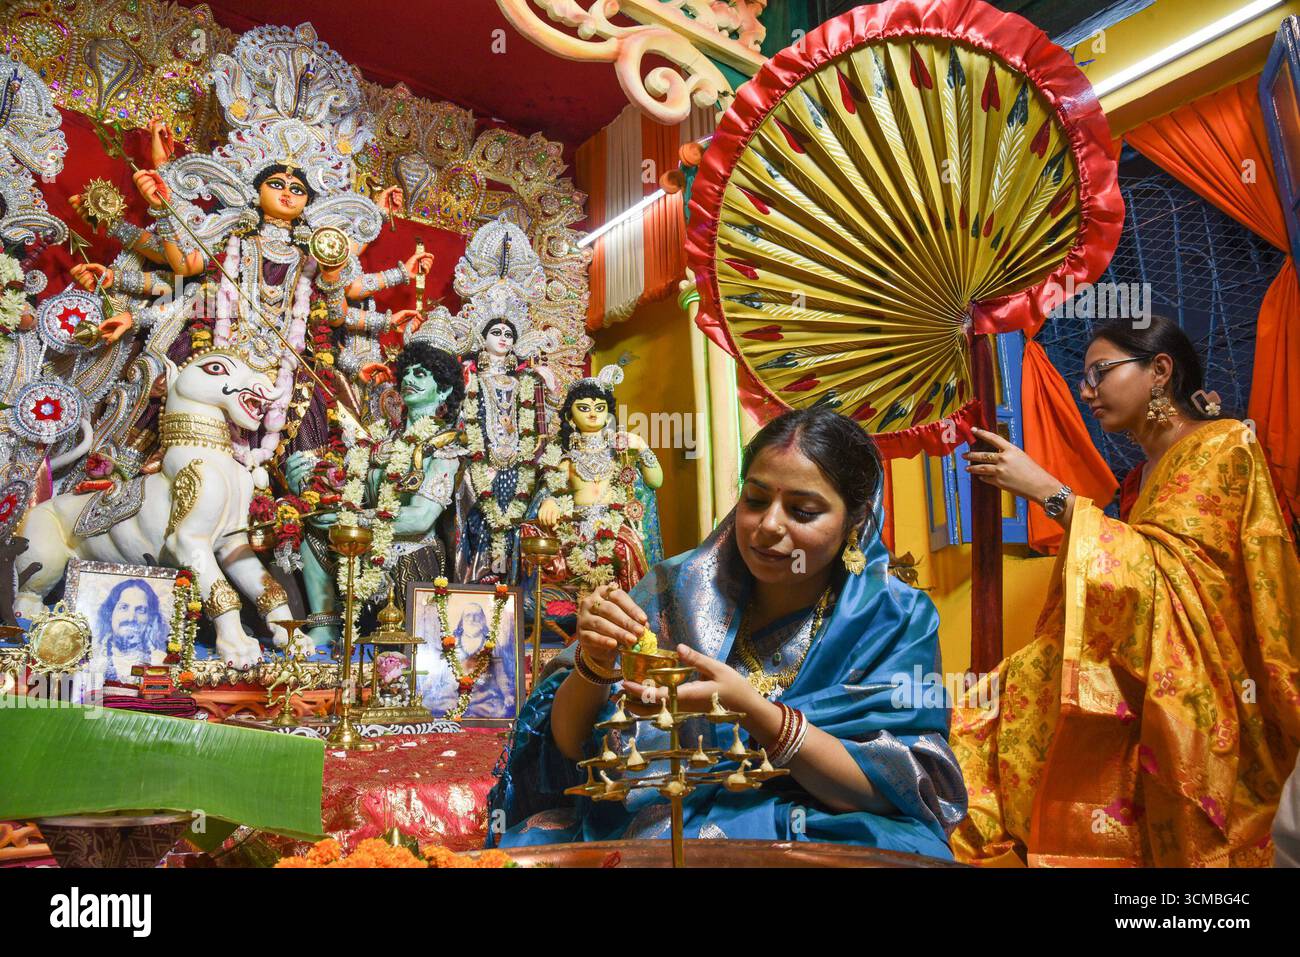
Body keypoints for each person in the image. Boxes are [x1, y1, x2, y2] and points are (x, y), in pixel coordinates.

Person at [487, 407, 966, 856]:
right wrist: (594, 664)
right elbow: (572, 749)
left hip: (829, 822)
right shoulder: (678, 588)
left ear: (856, 519)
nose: (768, 526)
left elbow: (902, 790)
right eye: (755, 500)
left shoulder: (894, 617)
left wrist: (758, 715)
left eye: (802, 511)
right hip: (670, 810)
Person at [952, 315, 1300, 866]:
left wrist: (1049, 493)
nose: (1086, 391)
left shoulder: (1224, 444)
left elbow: (1172, 580)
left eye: (1101, 372)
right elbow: (1138, 583)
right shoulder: (1142, 477)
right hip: (1150, 670)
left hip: (1216, 681)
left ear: (1159, 370)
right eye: (1084, 378)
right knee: (990, 707)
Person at [90, 579, 168, 683]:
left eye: (141, 610)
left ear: (150, 619)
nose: (131, 618)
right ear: (110, 614)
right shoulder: (92, 658)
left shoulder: (161, 662)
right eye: (124, 607)